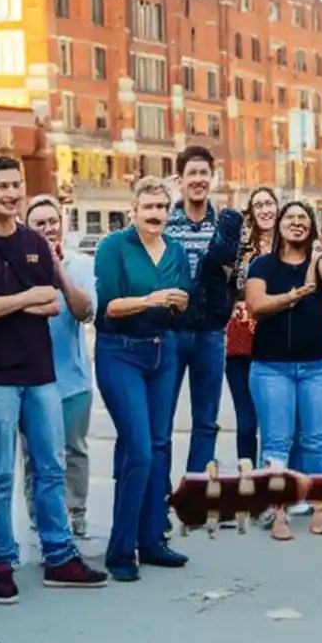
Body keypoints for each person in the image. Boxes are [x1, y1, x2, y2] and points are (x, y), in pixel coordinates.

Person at [0, 155, 107, 604]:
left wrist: (10, 301)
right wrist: (23, 299)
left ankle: (59, 556)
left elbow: (52, 304)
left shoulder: (34, 241)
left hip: (41, 375)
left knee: (50, 468)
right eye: (3, 186)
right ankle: (0, 562)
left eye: (18, 185)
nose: (12, 193)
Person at [94, 177, 193, 581]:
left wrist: (181, 301)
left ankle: (152, 539)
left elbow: (184, 301)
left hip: (163, 351)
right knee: (138, 449)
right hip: (120, 353)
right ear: (132, 209)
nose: (156, 215)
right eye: (148, 207)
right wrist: (151, 299)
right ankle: (121, 549)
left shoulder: (177, 251)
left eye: (162, 208)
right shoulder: (112, 246)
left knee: (159, 445)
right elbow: (108, 307)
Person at [244, 202, 322, 540]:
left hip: (318, 366)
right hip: (271, 368)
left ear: (312, 229)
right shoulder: (263, 265)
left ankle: (319, 508)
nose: (297, 223)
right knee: (276, 442)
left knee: (317, 440)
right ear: (279, 226)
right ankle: (278, 511)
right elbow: (256, 306)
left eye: (304, 219)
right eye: (291, 218)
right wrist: (293, 295)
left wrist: (319, 260)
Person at [163, 146, 243, 486]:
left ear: (213, 178)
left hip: (210, 332)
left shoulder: (226, 225)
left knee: (206, 419)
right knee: (160, 418)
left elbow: (231, 276)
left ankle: (195, 489)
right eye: (191, 174)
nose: (198, 180)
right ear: (179, 180)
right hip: (170, 331)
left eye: (203, 173)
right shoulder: (164, 221)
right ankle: (159, 492)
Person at [21, 196, 96, 539]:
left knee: (73, 449)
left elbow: (84, 312)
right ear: (26, 227)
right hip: (28, 377)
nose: (49, 228)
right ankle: (40, 518)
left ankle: (75, 512)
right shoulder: (17, 266)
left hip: (73, 379)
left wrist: (59, 271)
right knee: (34, 454)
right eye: (40, 223)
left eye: (53, 221)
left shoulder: (81, 264)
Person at [226, 187, 279, 467]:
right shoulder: (238, 250)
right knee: (247, 422)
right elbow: (221, 286)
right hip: (242, 344)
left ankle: (273, 486)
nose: (264, 209)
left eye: (269, 203)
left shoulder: (293, 248)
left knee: (275, 425)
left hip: (279, 343)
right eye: (258, 205)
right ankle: (248, 484)